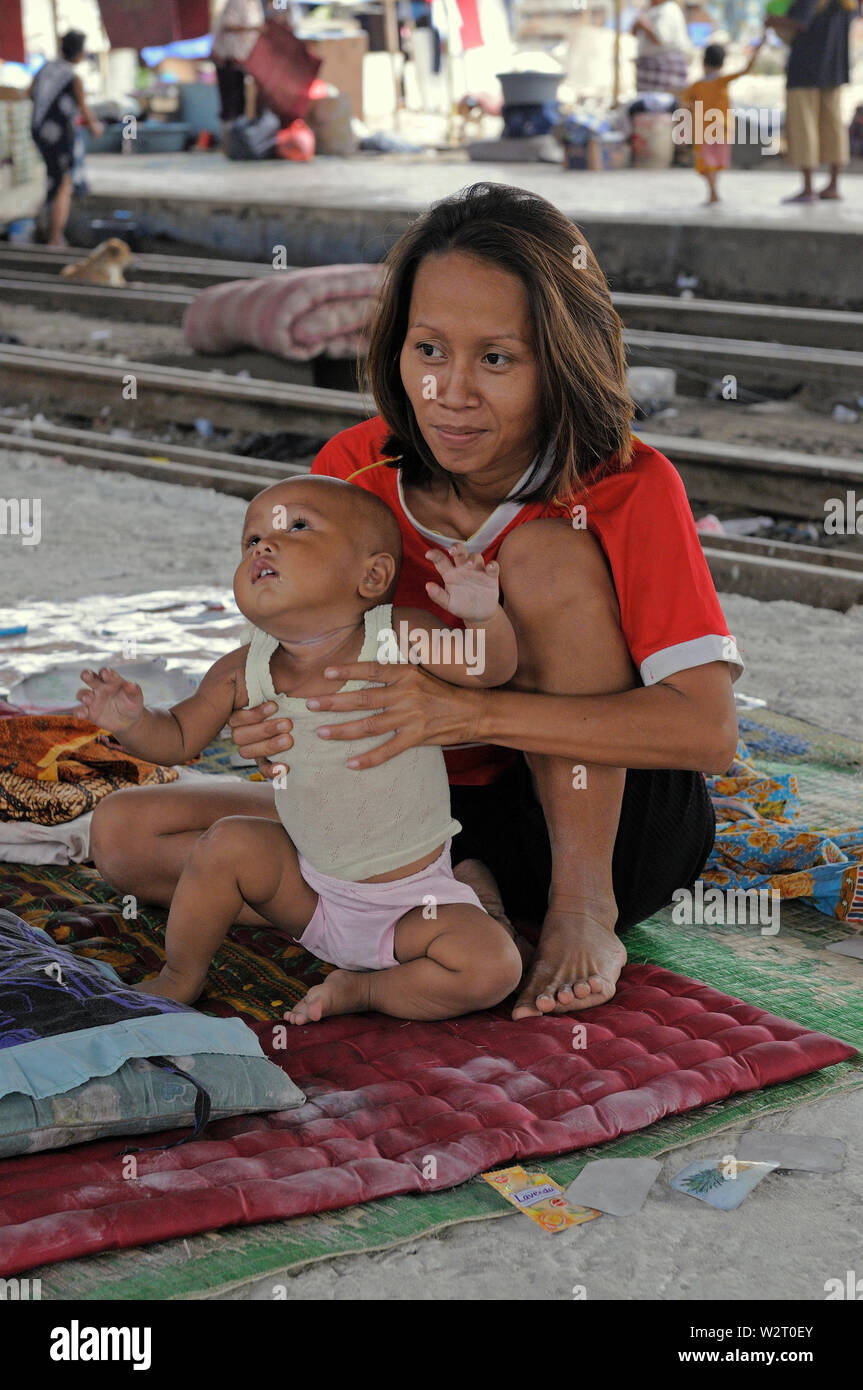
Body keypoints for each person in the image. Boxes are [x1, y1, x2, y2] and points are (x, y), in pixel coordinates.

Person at [90, 183, 741, 1022]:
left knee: (543, 555)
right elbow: (302, 642)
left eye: (496, 358)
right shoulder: (354, 469)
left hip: (607, 836)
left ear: (563, 356)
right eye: (428, 350)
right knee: (127, 838)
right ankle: (442, 922)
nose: (449, 392)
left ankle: (579, 913)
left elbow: (706, 732)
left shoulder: (625, 485)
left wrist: (468, 714)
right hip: (418, 823)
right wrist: (277, 725)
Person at [78, 477, 522, 1020]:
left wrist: (483, 615)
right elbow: (176, 738)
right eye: (252, 539)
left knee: (494, 966)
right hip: (309, 893)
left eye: (297, 527)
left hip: (416, 902)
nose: (263, 545)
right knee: (227, 844)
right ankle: (180, 974)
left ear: (373, 575)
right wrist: (131, 720)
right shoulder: (243, 669)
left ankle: (365, 991)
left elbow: (489, 670)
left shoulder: (398, 633)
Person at [767, 0, 859, 202]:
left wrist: (772, 20)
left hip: (804, 70)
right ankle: (833, 186)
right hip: (834, 68)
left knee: (803, 128)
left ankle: (808, 188)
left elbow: (801, 21)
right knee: (833, 127)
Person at [28, 30, 103, 247]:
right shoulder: (72, 77)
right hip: (60, 137)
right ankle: (55, 237)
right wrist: (95, 128)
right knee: (64, 182)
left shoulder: (46, 69)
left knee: (53, 178)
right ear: (79, 52)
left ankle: (46, 231)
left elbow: (30, 93)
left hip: (39, 132)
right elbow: (85, 111)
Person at [679, 39, 764, 203]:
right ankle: (713, 191)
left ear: (703, 62)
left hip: (703, 131)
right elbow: (746, 69)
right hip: (723, 129)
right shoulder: (722, 82)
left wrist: (683, 131)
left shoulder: (695, 86)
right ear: (722, 63)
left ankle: (713, 192)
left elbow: (685, 109)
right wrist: (756, 52)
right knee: (716, 162)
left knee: (707, 163)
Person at [211, 0, 266, 146]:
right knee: (230, 103)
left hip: (242, 60)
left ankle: (235, 141)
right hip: (228, 58)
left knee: (240, 101)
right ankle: (228, 143)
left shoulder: (256, 4)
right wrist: (254, 28)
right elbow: (229, 25)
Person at [632, 0, 693, 93]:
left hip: (664, 68)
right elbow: (633, 32)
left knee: (661, 103)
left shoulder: (668, 10)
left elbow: (660, 38)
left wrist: (643, 24)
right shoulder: (650, 10)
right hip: (650, 69)